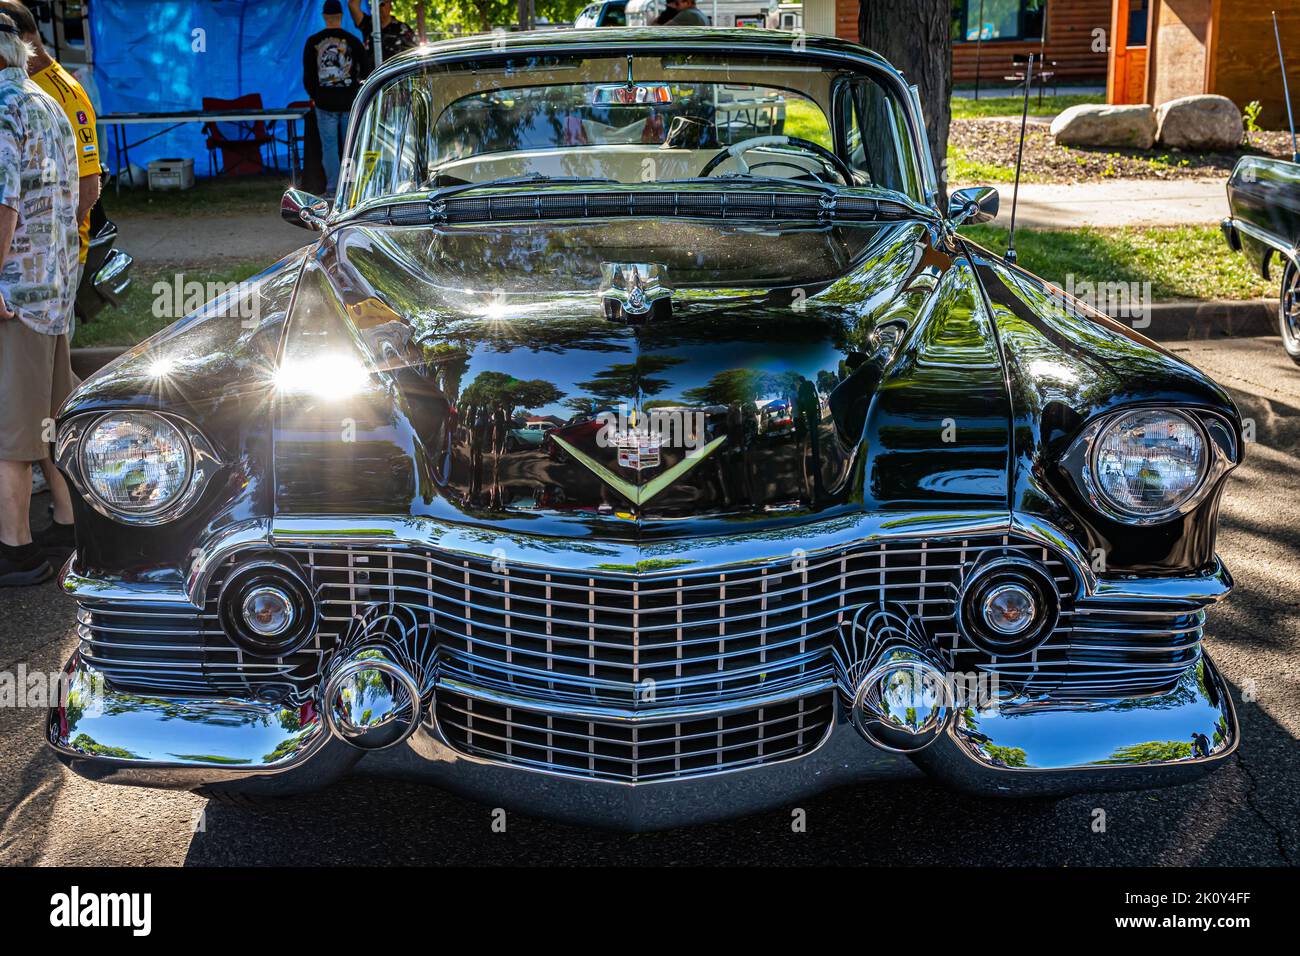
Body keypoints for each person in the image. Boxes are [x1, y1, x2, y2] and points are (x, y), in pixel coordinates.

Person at [0, 10, 79, 587]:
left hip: (15, 291)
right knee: (50, 418)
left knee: (13, 428)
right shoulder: (45, 101)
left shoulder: (3, 109)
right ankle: (71, 520)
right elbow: (77, 194)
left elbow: (3, 204)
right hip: (52, 287)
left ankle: (17, 550)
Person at [304, 0, 368, 197]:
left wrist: (317, 95)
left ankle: (333, 189)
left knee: (330, 149)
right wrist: (354, 92)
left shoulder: (312, 42)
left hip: (325, 104)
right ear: (341, 16)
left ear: (324, 17)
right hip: (349, 103)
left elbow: (308, 76)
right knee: (351, 147)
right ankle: (351, 190)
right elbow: (366, 71)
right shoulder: (353, 40)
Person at [348, 0, 417, 64]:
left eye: (383, 3)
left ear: (390, 6)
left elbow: (414, 54)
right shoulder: (368, 23)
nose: (380, 7)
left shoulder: (402, 28)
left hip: (393, 73)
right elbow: (353, 5)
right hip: (373, 74)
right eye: (377, 3)